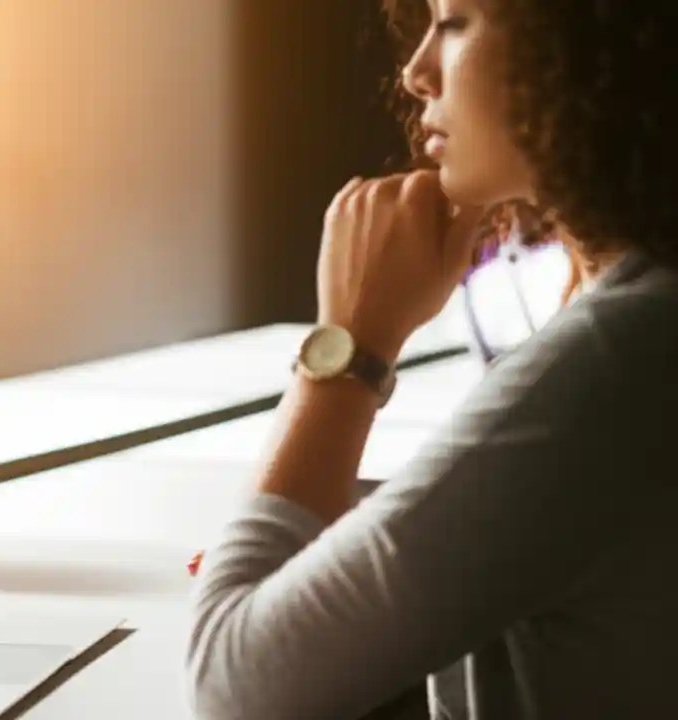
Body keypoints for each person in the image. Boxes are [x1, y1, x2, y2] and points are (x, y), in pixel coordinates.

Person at [185, 2, 678, 719]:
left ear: (584, 45)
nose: (417, 74)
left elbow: (235, 693)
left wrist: (352, 344)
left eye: (453, 23)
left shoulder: (621, 358)